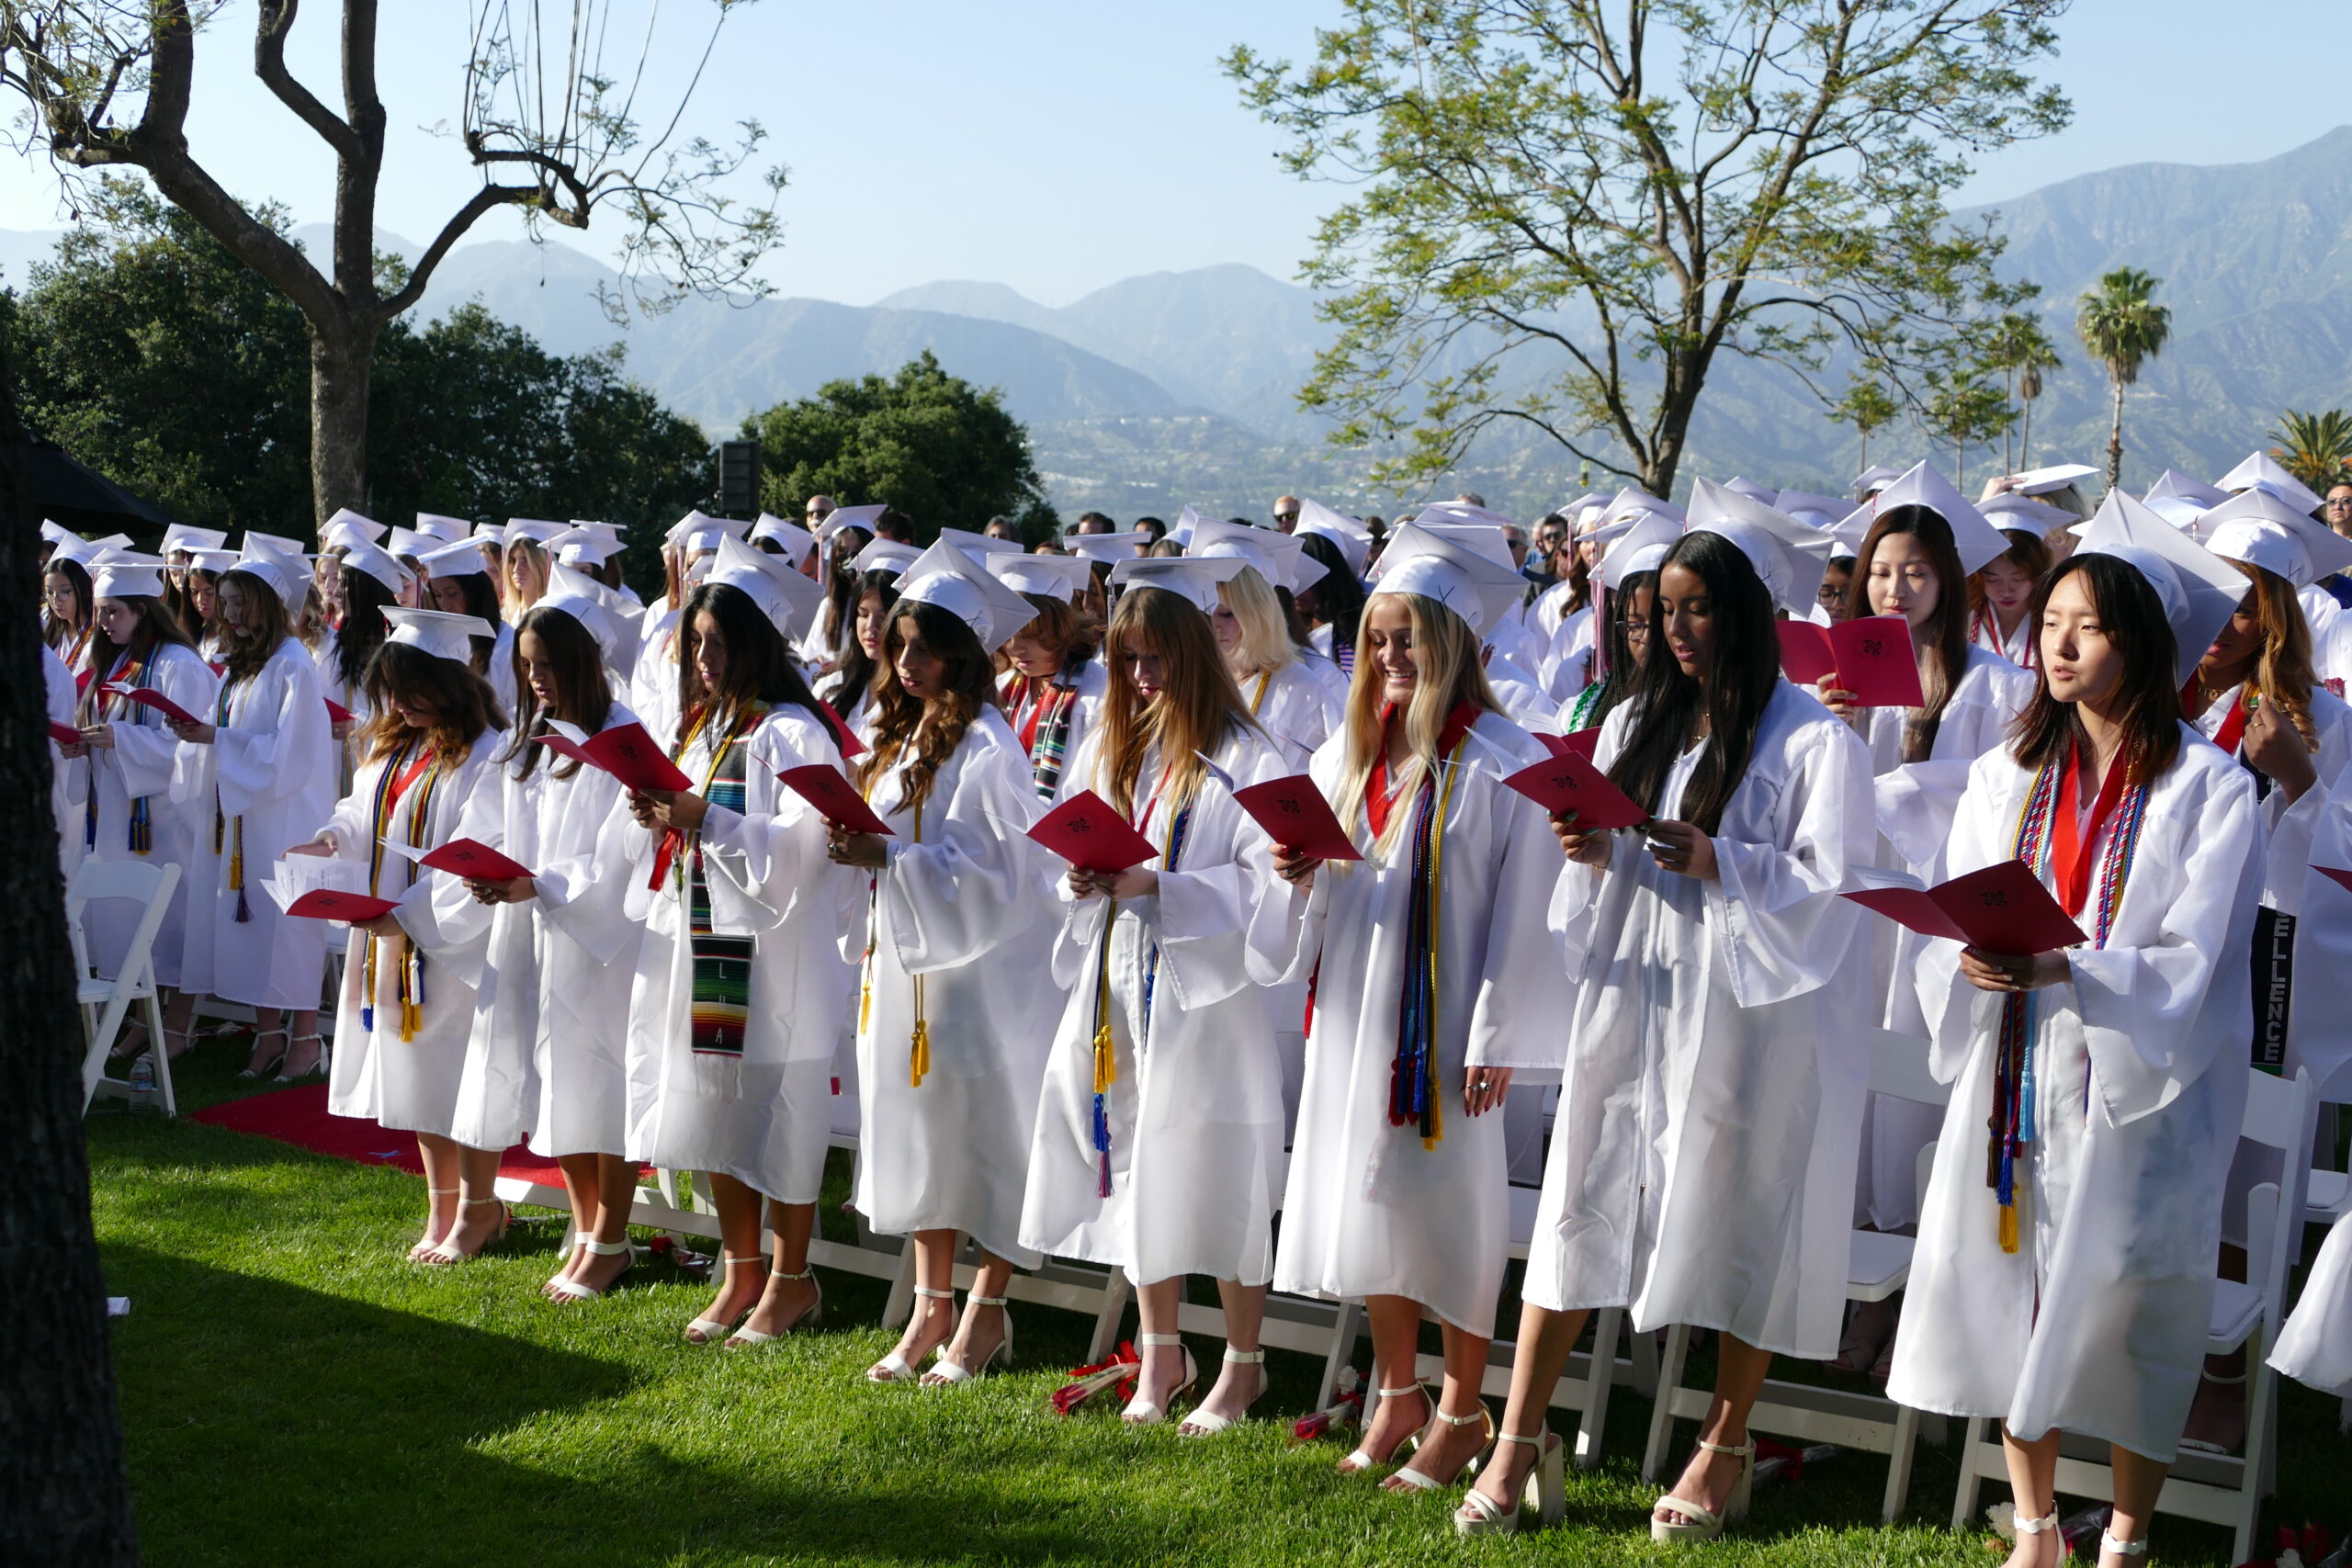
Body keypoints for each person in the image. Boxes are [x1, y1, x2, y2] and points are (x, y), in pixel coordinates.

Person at [1474, 513, 1874, 1543]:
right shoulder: (1627, 725)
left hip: (1745, 1015)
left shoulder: (1811, 739)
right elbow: (1595, 881)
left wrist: (1721, 862)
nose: (1678, 630)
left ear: (1742, 612)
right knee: (1581, 1197)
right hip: (1634, 991)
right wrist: (1587, 848)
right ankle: (1518, 1434)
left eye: (1698, 609)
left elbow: (1837, 888)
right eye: (1660, 613)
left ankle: (1724, 1438)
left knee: (1741, 1211)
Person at [1887, 497, 2260, 1568]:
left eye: (2086, 625)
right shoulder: (2005, 775)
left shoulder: (2208, 789)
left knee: (2130, 1301)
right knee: (2014, 1287)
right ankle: (2038, 1525)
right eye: (2051, 618)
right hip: (2015, 1067)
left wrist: (2066, 967)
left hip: (2139, 1087)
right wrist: (1957, 953)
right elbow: (1955, 896)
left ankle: (2129, 1534)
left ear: (2136, 643)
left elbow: (2194, 957)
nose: (2058, 642)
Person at [1249, 524, 1573, 1495]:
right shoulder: (1350, 754)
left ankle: (1463, 1408)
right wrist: (1294, 869)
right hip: (1357, 1010)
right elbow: (1316, 884)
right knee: (1370, 1197)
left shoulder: (1510, 759)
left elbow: (1529, 910)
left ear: (1454, 644)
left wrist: (1502, 1031)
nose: (1389, 658)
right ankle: (1395, 1390)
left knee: (1450, 1213)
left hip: (1448, 1025)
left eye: (1409, 640)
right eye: (1376, 640)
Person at [1019, 570, 1288, 1431]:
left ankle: (1245, 1365)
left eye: (1157, 660)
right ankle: (1161, 1349)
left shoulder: (1249, 758)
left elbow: (1261, 886)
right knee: (1135, 1161)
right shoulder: (1115, 748)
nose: (1140, 679)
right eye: (1126, 660)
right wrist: (1083, 879)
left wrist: (1156, 885)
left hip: (1205, 996)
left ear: (1196, 658)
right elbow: (1073, 845)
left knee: (1219, 1171)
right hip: (1119, 979)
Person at [831, 541, 1057, 1386]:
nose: (908, 662)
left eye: (925, 647)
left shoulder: (991, 748)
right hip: (906, 965)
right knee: (920, 1130)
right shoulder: (908, 733)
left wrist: (888, 857)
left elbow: (1002, 873)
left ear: (963, 652)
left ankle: (986, 1310)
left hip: (978, 977)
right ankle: (931, 1304)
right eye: (900, 646)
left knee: (983, 1133)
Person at [616, 537, 853, 1342]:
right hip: (705, 940)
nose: (702, 657)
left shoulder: (789, 732)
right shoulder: (706, 726)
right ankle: (741, 1267)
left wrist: (701, 818)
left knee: (778, 1113)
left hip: (772, 956)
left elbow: (800, 849)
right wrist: (660, 816)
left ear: (754, 643)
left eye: (716, 643)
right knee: (713, 1105)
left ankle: (792, 1277)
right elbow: (696, 830)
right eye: (694, 643)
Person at [426, 572, 651, 1303]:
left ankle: (612, 1239)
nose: (535, 678)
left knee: (602, 1085)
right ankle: (586, 1231)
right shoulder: (530, 742)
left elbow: (621, 853)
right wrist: (478, 867)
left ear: (583, 662)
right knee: (562, 1089)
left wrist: (540, 885)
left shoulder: (623, 737)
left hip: (597, 946)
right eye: (527, 665)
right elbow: (485, 823)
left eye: (548, 665)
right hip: (534, 938)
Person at [307, 608, 508, 1265]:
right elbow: (361, 812)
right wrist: (332, 837)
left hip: (454, 944)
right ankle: (442, 1206)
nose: (395, 702)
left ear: (448, 680)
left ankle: (480, 1209)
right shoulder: (393, 746)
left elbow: (480, 851)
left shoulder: (487, 756)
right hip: (394, 938)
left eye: (409, 687)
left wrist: (413, 911)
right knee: (416, 1073)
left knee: (463, 1077)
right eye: (389, 688)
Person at [168, 549, 337, 1083]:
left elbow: (288, 752)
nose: (231, 615)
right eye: (226, 603)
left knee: (288, 928)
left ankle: (305, 1040)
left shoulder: (293, 663)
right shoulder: (241, 666)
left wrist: (216, 737)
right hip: (241, 814)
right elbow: (231, 731)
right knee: (257, 929)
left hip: (284, 814)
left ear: (268, 603)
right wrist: (199, 734)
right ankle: (268, 1036)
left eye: (241, 603)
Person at [72, 549, 220, 1064]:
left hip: (167, 818)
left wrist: (122, 740)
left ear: (142, 609)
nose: (103, 622)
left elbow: (192, 742)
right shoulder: (118, 662)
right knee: (130, 922)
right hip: (119, 813)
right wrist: (87, 741)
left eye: (114, 611)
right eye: (101, 611)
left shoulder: (180, 665)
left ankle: (176, 1026)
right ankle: (141, 1022)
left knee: (173, 922)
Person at [990, 554, 1107, 801]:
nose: (1016, 648)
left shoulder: (1098, 691)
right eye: (1009, 635)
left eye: (1029, 635)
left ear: (1061, 627)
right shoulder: (1001, 688)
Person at [420, 539, 517, 717]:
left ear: (475, 591)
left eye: (452, 594)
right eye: (438, 595)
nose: (444, 604)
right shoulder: (443, 641)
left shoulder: (507, 644)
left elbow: (516, 710)